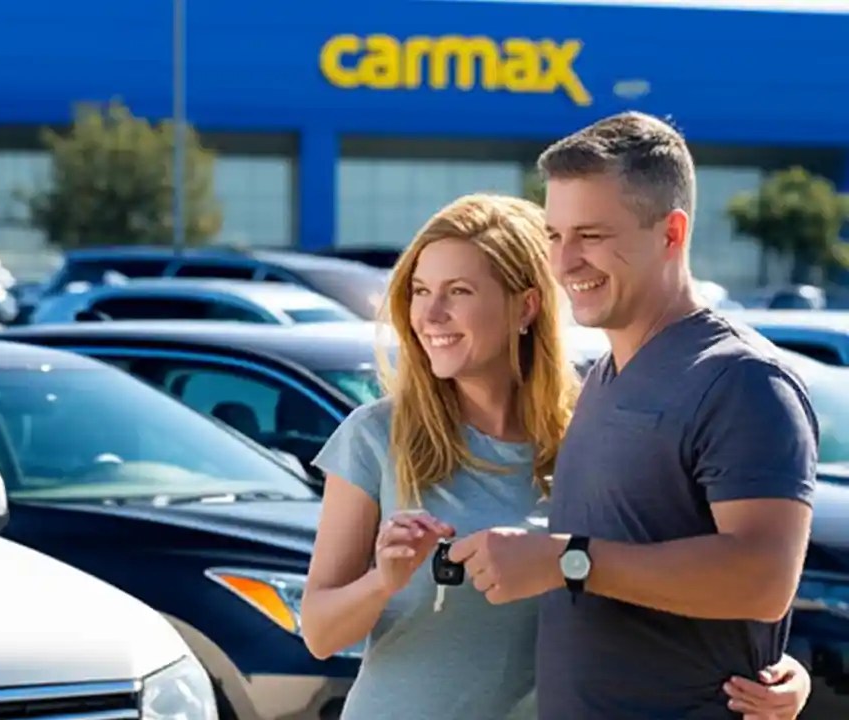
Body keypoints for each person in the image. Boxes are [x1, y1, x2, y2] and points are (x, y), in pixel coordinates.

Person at [298, 193, 810, 720]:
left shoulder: (591, 430)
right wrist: (382, 580)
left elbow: (652, 576)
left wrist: (775, 668)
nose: (429, 314)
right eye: (421, 290)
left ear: (526, 306)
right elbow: (319, 632)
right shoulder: (376, 436)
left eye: (458, 291)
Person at [447, 112, 818, 719]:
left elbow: (763, 578)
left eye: (591, 235)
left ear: (671, 232)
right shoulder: (601, 378)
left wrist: (565, 559)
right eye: (554, 235)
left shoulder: (742, 380)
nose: (565, 262)